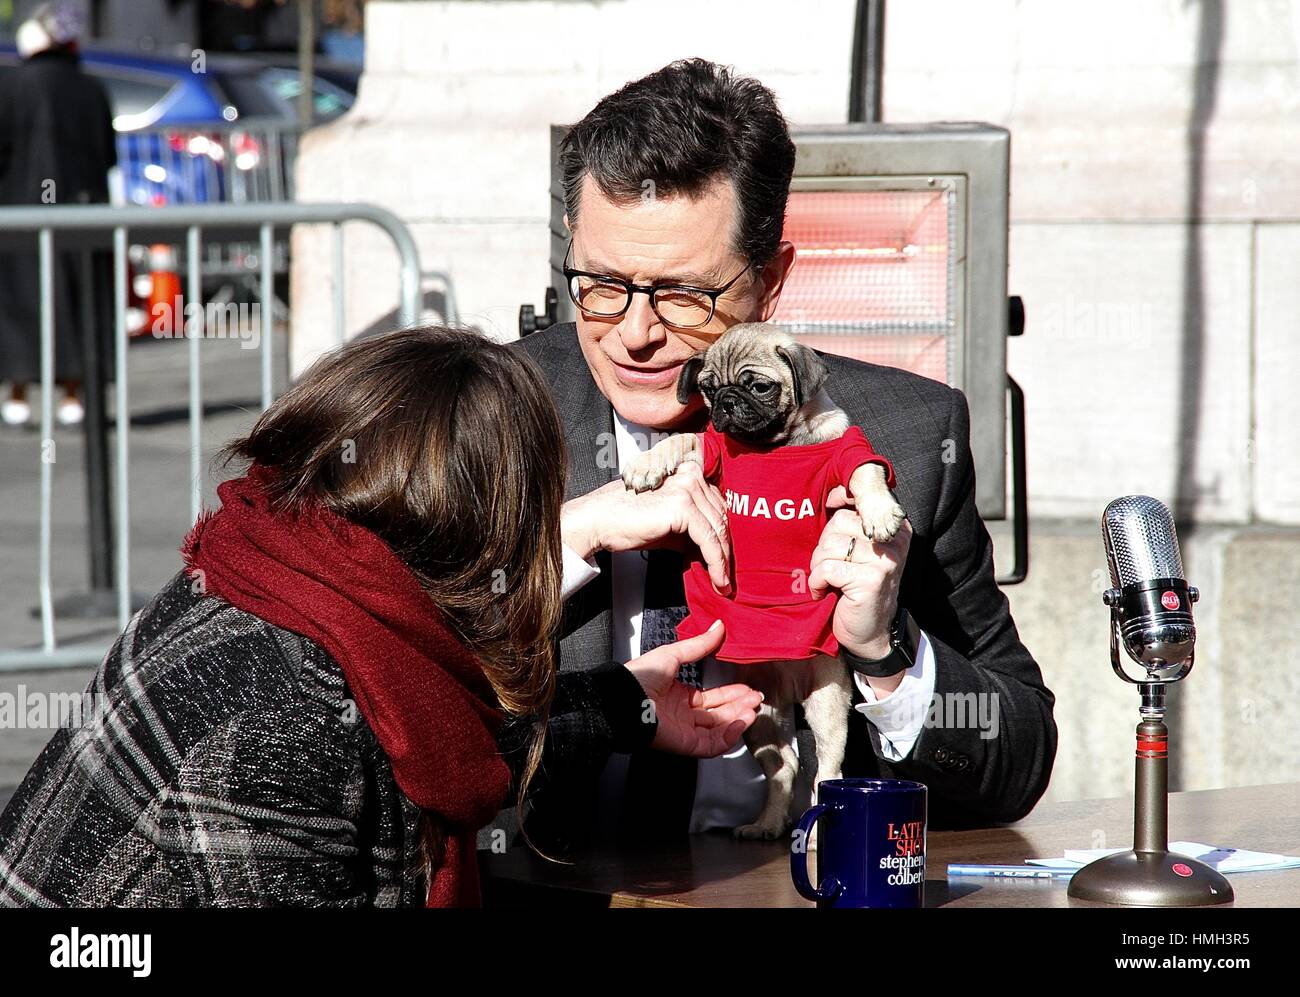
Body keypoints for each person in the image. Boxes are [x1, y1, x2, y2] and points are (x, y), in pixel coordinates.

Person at [0, 326, 762, 907]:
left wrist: (624, 702)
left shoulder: (271, 568)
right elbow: (385, 750)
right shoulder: (278, 739)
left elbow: (420, 732)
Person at [503, 57, 1058, 854]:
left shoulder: (903, 436)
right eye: (602, 283)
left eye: (683, 293)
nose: (634, 332)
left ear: (770, 282)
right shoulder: (479, 417)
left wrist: (885, 650)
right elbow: (373, 702)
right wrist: (563, 543)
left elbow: (1020, 753)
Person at [0, 1, 118, 427]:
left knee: (19, 306)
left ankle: (16, 393)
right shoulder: (91, 88)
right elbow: (107, 154)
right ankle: (74, 394)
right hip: (82, 215)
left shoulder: (10, 87)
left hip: (20, 214)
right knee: (78, 303)